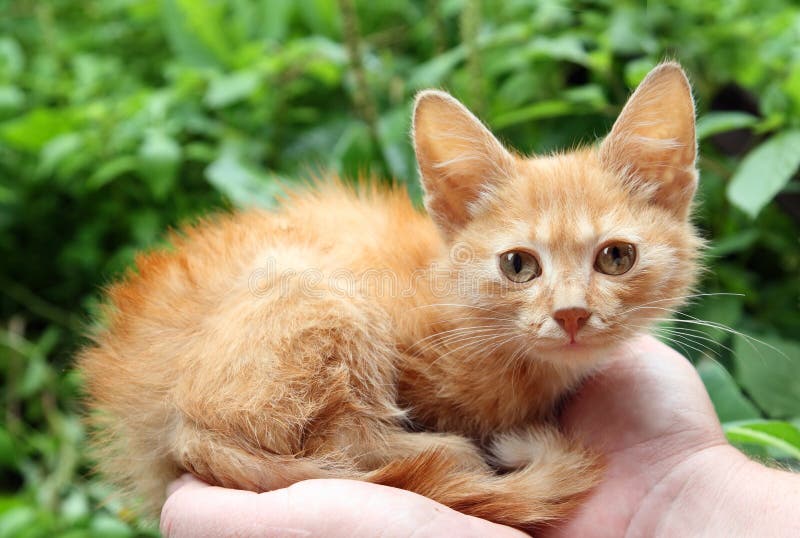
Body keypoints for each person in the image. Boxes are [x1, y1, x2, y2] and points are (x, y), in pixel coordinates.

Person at [159, 335, 800, 537]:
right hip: (230, 386)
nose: (571, 305)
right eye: (520, 264)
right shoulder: (460, 345)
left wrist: (687, 479)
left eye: (615, 257)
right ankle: (352, 439)